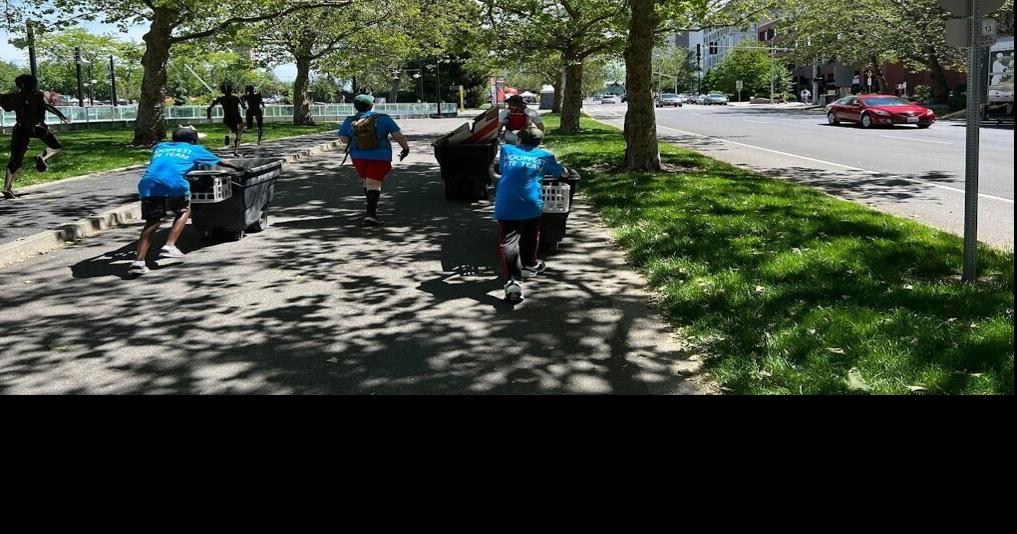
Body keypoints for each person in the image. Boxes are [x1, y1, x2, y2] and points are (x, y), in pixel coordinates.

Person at [128, 126, 241, 276]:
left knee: (152, 222)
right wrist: (240, 168)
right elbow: (223, 162)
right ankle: (170, 245)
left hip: (149, 184)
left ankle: (138, 262)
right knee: (184, 210)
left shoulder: (159, 147)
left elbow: (169, 162)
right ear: (193, 140)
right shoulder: (196, 150)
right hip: (174, 184)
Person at [494, 124, 567, 302]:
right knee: (531, 233)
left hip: (507, 203)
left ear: (519, 139)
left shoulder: (506, 150)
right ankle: (529, 265)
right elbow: (562, 173)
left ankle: (513, 281)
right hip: (531, 203)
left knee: (509, 240)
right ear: (540, 142)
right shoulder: (545, 156)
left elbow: (503, 170)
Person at [338, 94, 410, 226]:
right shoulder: (383, 119)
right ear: (372, 105)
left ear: (356, 107)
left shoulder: (349, 120)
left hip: (358, 156)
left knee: (367, 181)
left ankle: (372, 208)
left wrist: (358, 141)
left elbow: (343, 138)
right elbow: (398, 136)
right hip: (380, 156)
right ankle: (371, 214)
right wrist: (405, 148)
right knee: (374, 183)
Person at [0, 74, 71, 200]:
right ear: (33, 84)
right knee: (56, 147)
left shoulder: (15, 96)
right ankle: (42, 156)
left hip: (20, 129)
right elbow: (48, 107)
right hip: (38, 127)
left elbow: (4, 103)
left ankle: (6, 188)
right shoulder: (38, 95)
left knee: (15, 160)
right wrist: (63, 117)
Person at [206, 83, 245, 156]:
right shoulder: (236, 97)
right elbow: (244, 107)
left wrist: (209, 115)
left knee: (238, 131)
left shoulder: (221, 98)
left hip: (227, 118)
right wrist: (241, 99)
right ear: (231, 90)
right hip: (236, 117)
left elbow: (209, 107)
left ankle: (231, 136)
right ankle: (235, 150)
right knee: (238, 133)